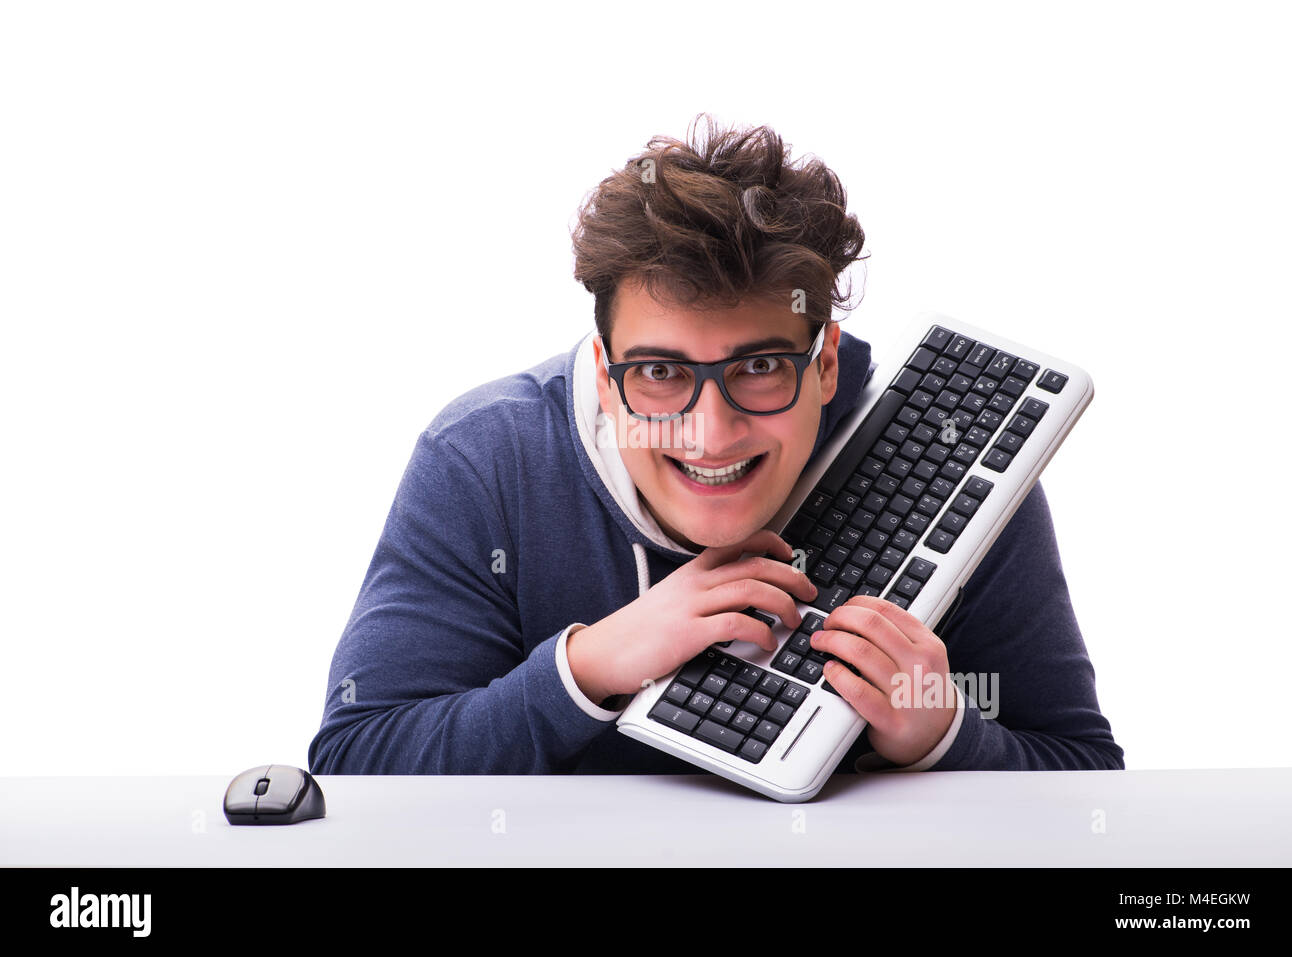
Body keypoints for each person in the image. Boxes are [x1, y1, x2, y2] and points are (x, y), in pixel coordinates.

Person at [307, 115, 1124, 778]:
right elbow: (356, 762)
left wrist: (948, 734)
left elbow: (1085, 772)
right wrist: (588, 666)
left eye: (761, 366)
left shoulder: (958, 469)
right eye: (660, 372)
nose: (712, 433)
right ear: (605, 369)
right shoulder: (484, 461)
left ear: (826, 361)